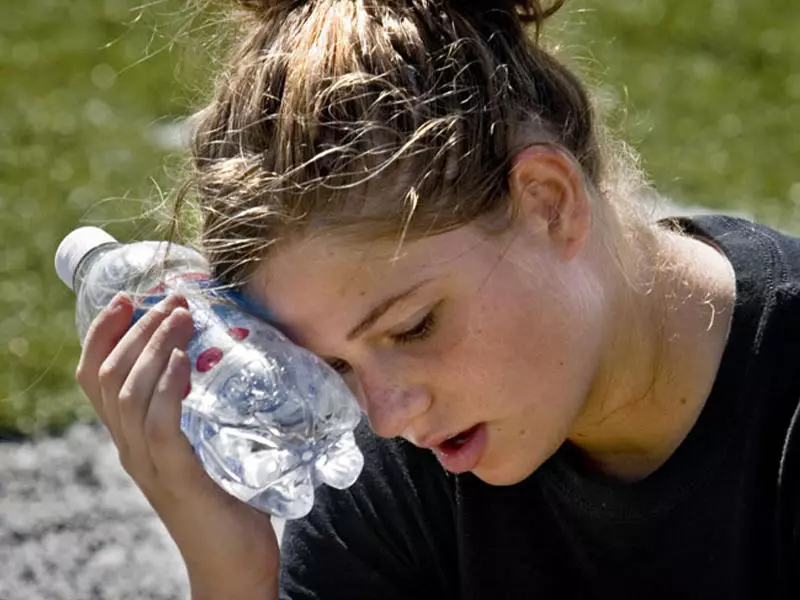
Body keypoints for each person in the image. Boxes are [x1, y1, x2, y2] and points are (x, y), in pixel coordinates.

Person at [74, 0, 800, 598]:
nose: (387, 416)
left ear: (549, 203)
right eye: (338, 367)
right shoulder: (405, 462)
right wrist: (234, 574)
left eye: (414, 325)